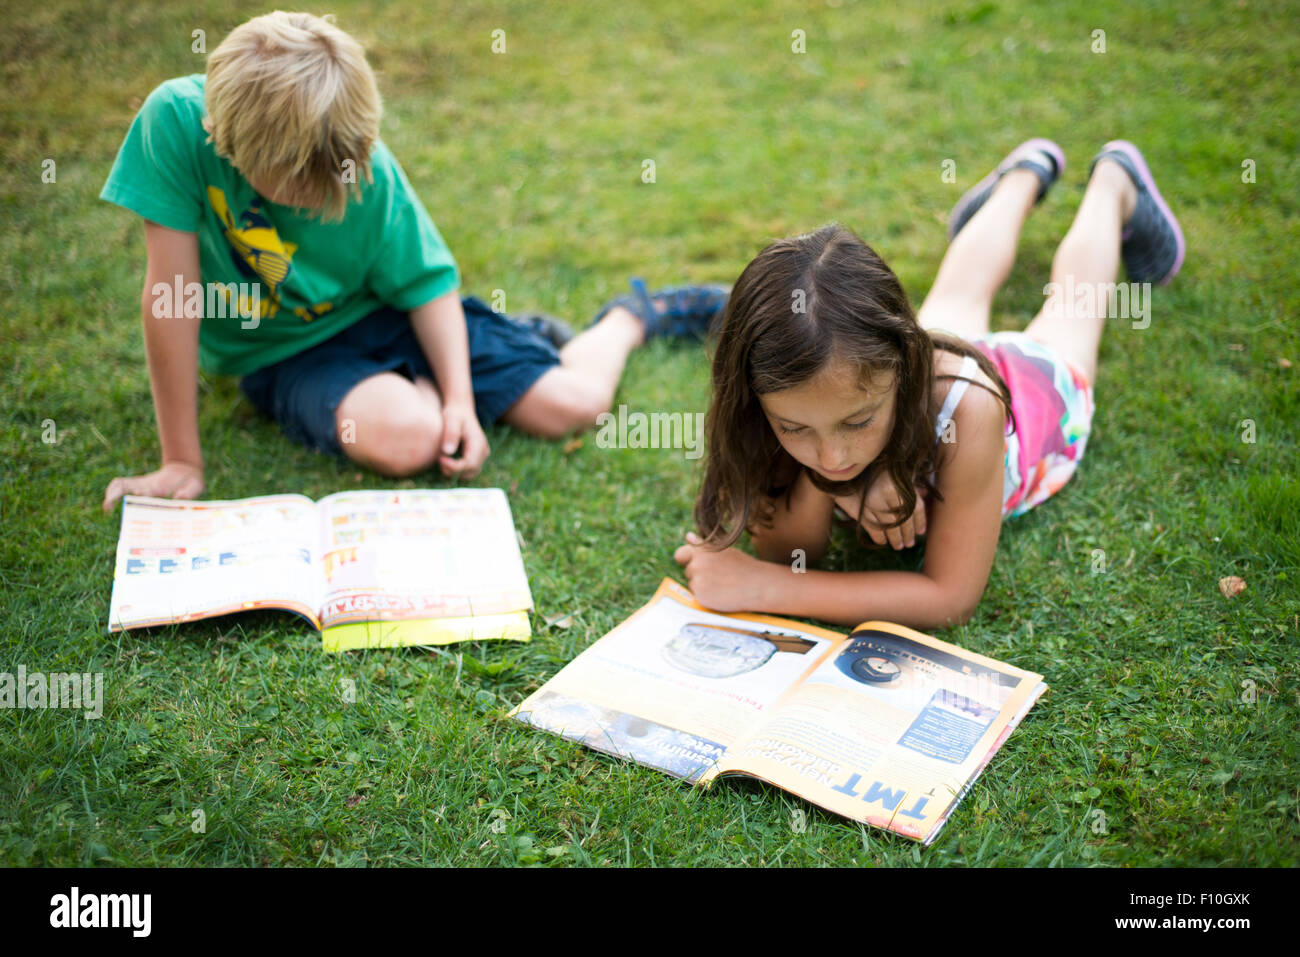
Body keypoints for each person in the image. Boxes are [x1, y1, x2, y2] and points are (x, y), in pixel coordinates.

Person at [99, 11, 723, 512]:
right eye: (303, 182)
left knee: (574, 406)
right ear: (234, 143)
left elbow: (425, 282)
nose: (329, 192)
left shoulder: (358, 162)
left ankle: (636, 315)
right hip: (284, 352)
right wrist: (181, 461)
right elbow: (172, 297)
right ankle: (512, 347)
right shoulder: (173, 124)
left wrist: (457, 399)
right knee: (410, 439)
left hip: (391, 314)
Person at [675, 138, 1184, 629]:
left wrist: (768, 588)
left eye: (858, 422)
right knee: (958, 290)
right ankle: (1024, 175)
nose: (830, 454)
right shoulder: (816, 380)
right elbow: (790, 550)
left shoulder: (970, 410)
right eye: (794, 429)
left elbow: (950, 596)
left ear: (902, 362)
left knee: (1073, 306)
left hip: (1026, 400)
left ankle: (1114, 183)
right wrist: (840, 481)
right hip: (929, 358)